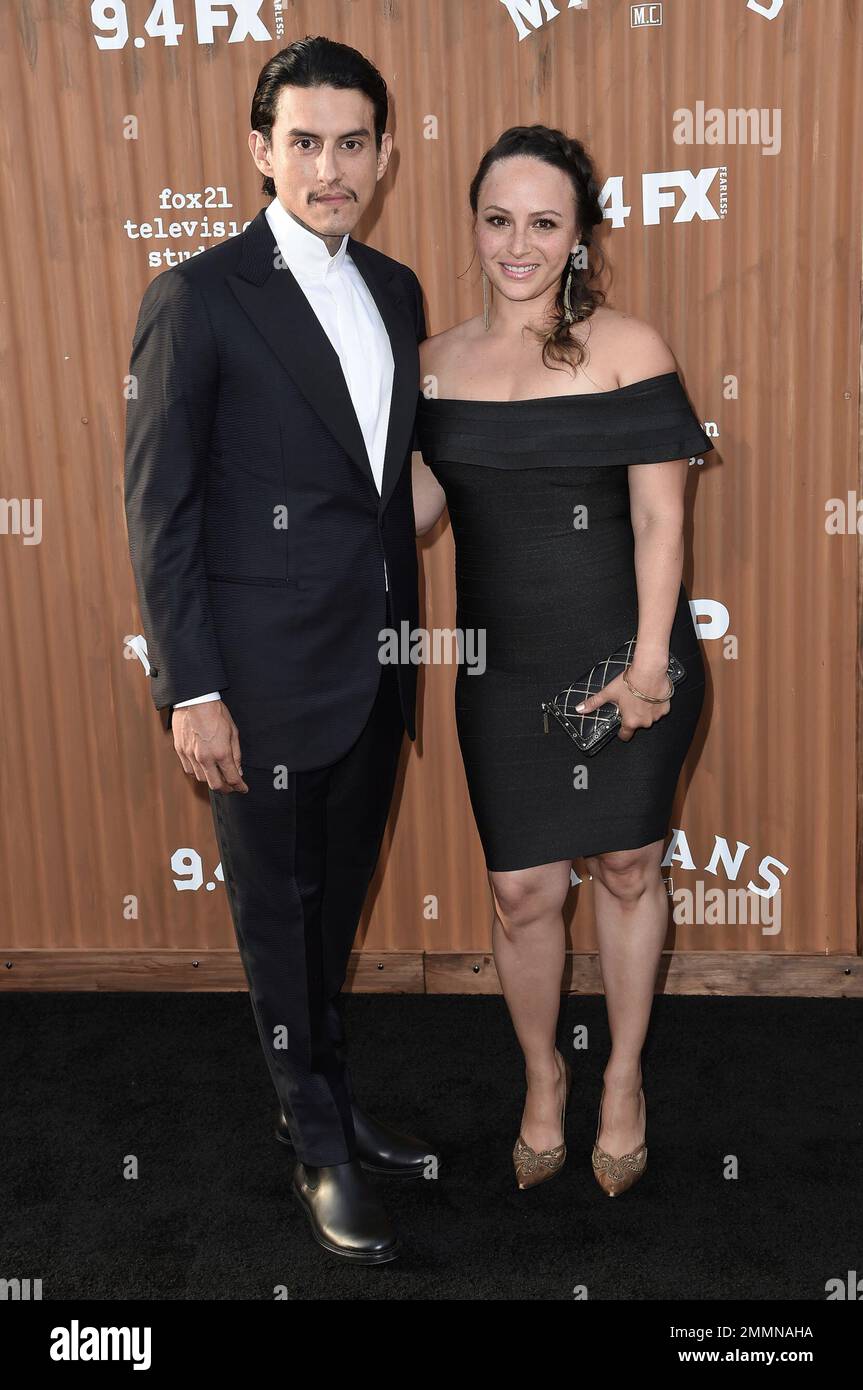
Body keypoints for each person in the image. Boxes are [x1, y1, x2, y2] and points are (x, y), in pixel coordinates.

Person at [124, 37, 438, 1263]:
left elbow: (380, 486)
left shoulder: (399, 289)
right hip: (251, 682)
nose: (328, 165)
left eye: (351, 142)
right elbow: (159, 510)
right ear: (260, 150)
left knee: (333, 911)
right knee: (277, 915)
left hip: (371, 669)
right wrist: (190, 689)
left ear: (383, 154)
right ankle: (313, 1140)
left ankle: (330, 1102)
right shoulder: (198, 296)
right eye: (302, 141)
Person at [412, 125, 714, 1197]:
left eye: (544, 222)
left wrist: (645, 669)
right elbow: (411, 513)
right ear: (474, 224)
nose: (517, 244)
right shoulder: (434, 364)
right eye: (498, 220)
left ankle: (622, 1079)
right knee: (519, 893)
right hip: (501, 670)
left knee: (627, 870)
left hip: (627, 650)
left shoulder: (630, 349)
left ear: (579, 235)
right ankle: (543, 1077)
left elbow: (656, 527)